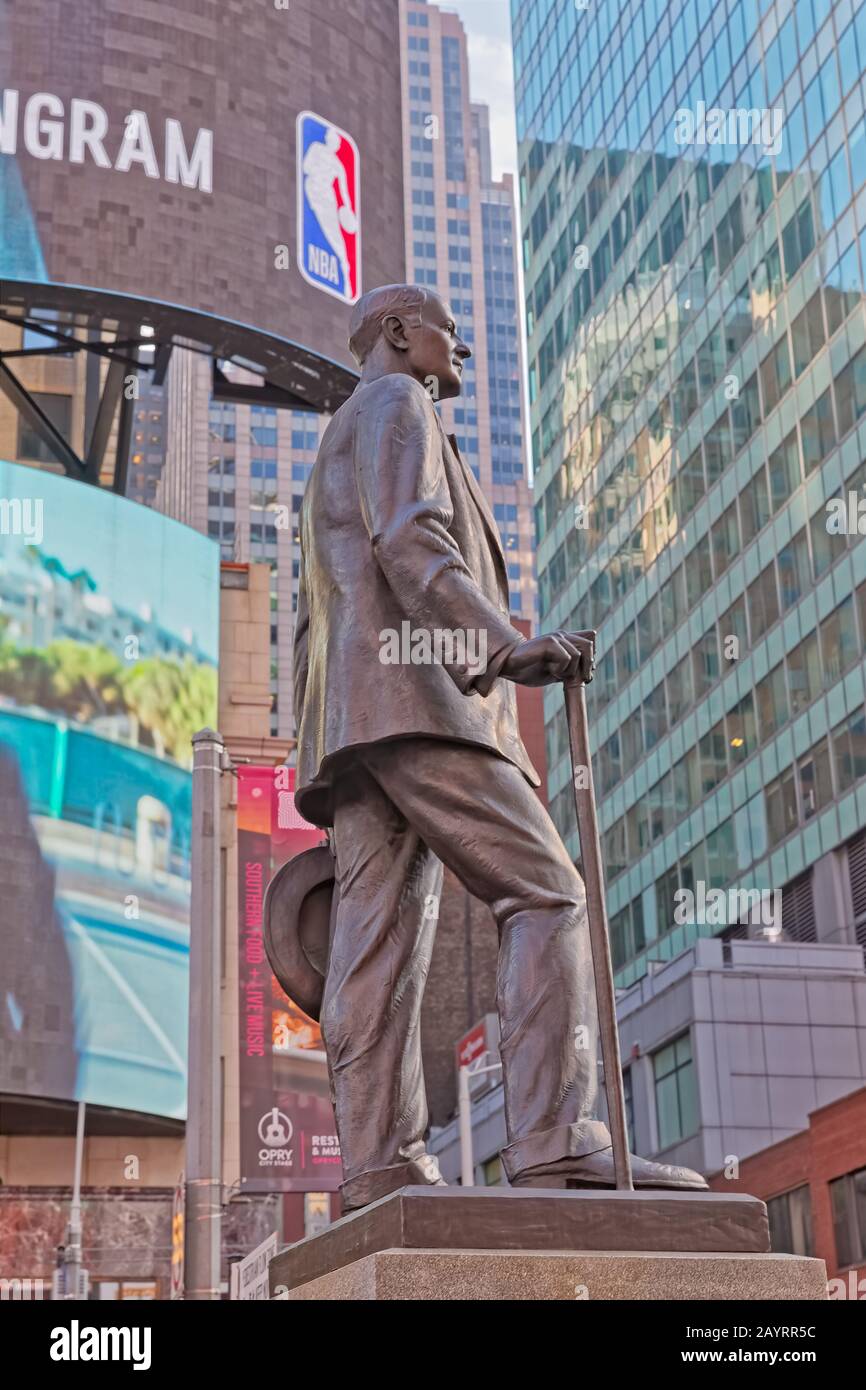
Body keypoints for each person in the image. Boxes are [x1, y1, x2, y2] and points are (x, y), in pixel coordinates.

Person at [293, 283, 707, 1211]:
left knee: (374, 944)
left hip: (362, 723)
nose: (462, 347)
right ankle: (557, 1144)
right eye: (448, 327)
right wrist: (505, 647)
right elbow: (411, 537)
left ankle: (378, 1166)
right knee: (547, 890)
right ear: (399, 333)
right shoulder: (396, 405)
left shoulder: (338, 435)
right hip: (423, 698)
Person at [301, 126, 354, 300]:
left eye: (336, 141)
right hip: (315, 193)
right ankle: (345, 269)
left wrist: (347, 211)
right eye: (332, 139)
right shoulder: (316, 148)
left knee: (336, 237)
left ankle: (346, 271)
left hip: (327, 200)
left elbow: (344, 191)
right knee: (329, 234)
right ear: (327, 139)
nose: (334, 143)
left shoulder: (338, 165)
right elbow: (306, 167)